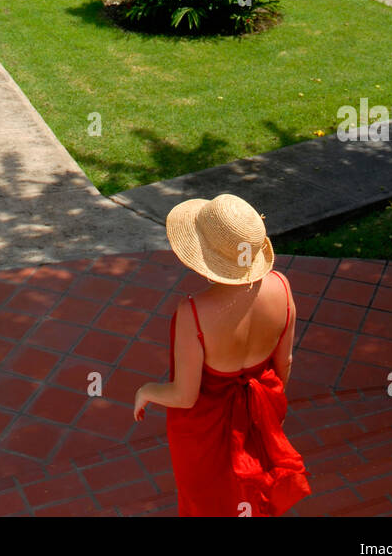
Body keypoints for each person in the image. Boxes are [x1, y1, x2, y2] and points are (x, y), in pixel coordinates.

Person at [133, 193, 311, 517]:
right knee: (255, 497)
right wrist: (266, 411)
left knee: (205, 505)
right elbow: (284, 363)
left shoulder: (193, 312)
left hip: (204, 432)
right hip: (258, 413)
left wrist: (146, 391)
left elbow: (185, 396)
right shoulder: (282, 288)